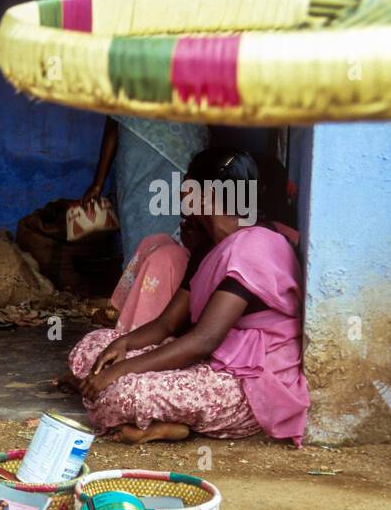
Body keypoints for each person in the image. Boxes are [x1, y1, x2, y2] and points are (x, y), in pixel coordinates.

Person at [67, 148, 309, 446]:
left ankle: (173, 425)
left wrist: (119, 371)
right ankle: (164, 419)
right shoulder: (210, 246)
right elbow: (168, 324)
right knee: (93, 347)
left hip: (248, 379)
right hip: (214, 359)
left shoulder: (254, 248)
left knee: (123, 393)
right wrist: (123, 344)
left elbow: (203, 340)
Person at [82, 116, 208, 264]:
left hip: (181, 155)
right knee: (138, 235)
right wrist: (98, 184)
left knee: (181, 235)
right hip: (138, 160)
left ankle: (168, 281)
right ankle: (141, 282)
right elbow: (113, 124)